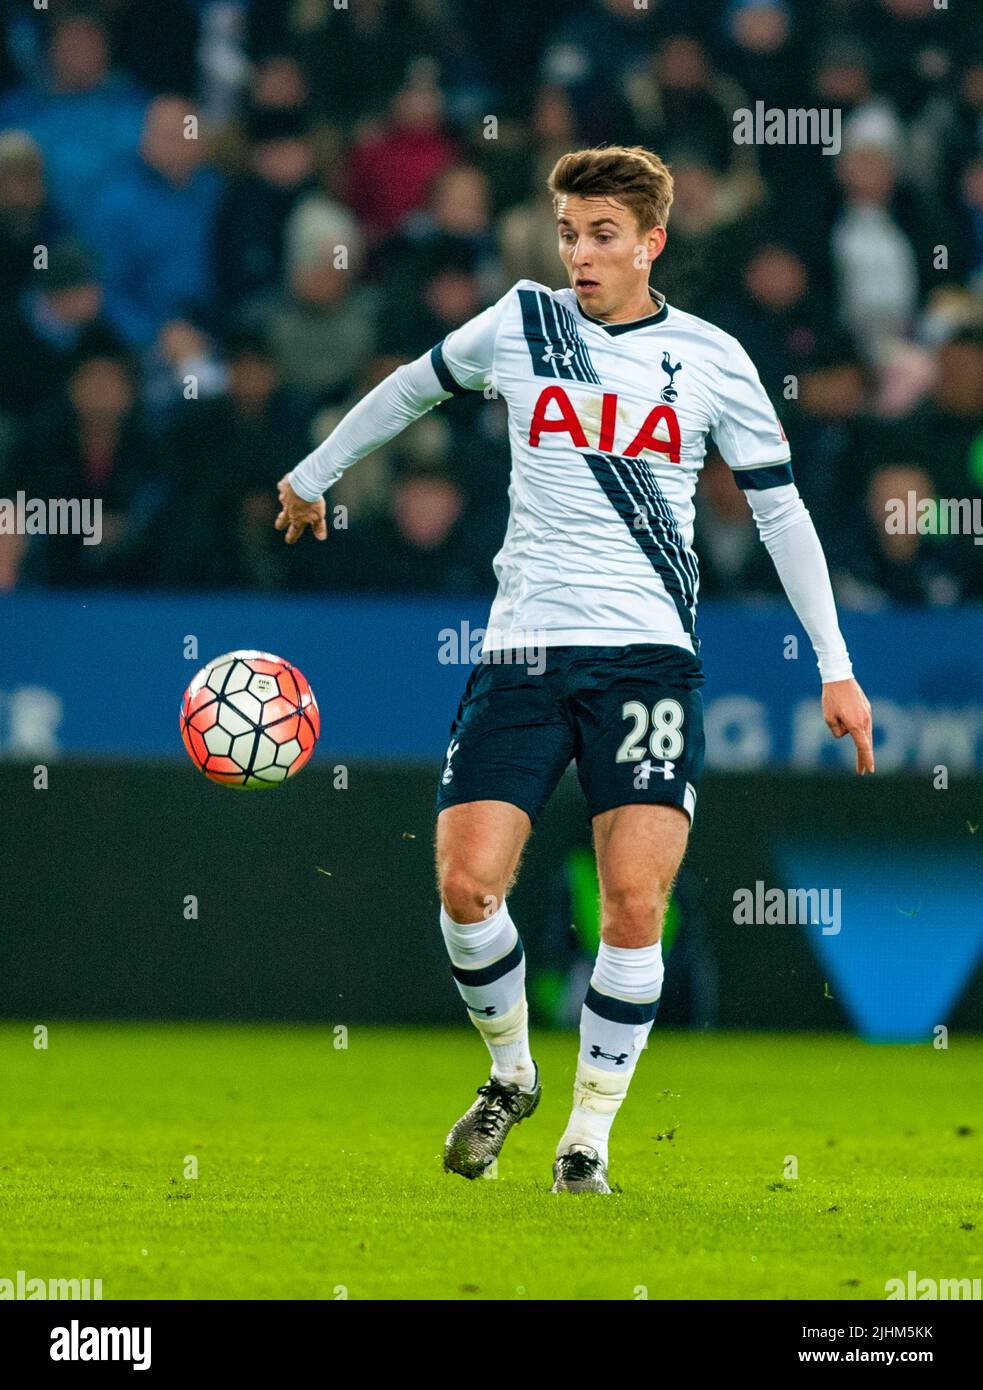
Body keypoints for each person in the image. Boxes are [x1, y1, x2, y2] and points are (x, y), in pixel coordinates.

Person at [273, 145, 874, 1195]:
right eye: (566, 235)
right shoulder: (521, 322)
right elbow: (412, 389)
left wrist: (835, 664)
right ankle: (511, 1074)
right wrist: (313, 472)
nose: (579, 255)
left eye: (600, 236)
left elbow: (779, 511)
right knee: (466, 884)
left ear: (650, 243)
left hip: (646, 659)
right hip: (518, 651)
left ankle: (587, 1137)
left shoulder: (712, 360)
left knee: (633, 902)